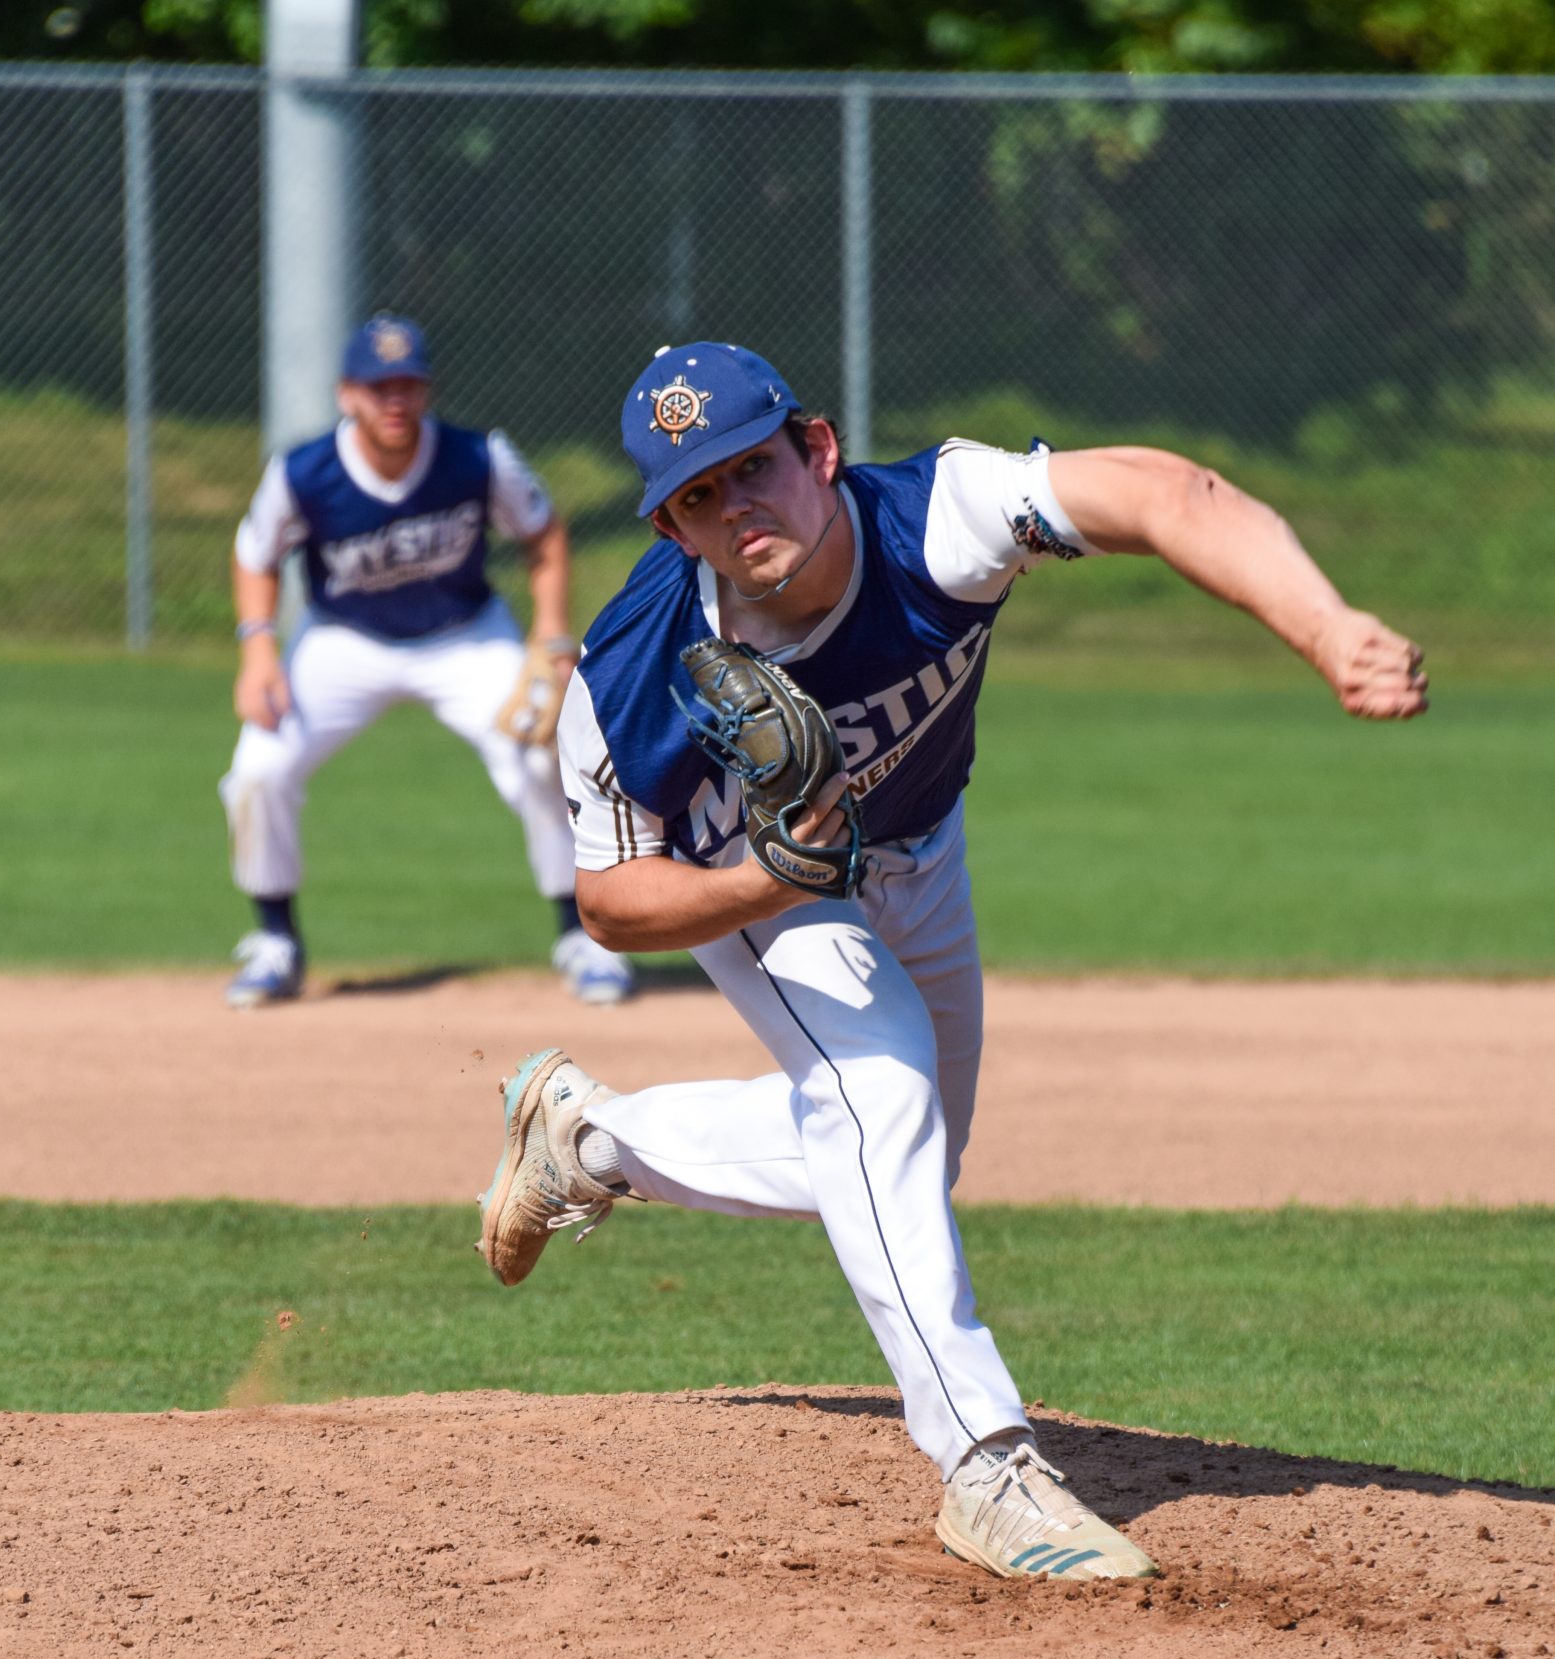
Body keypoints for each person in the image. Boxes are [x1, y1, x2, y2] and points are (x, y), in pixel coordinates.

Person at [476, 341, 1427, 1580]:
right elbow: (608, 901)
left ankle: (590, 1140)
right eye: (699, 495)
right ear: (670, 526)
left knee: (915, 1143)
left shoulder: (940, 519)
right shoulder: (630, 671)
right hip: (753, 879)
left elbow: (1166, 494)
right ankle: (986, 1466)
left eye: (753, 466)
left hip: (923, 847)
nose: (737, 506)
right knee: (881, 1095)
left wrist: (1326, 624)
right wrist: (767, 882)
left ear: (817, 449)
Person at [218, 311, 635, 1008]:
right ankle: (275, 940)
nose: (395, 400)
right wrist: (257, 649)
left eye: (408, 384)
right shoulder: (304, 471)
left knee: (542, 760)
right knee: (259, 769)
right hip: (342, 640)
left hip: (464, 636)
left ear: (427, 390)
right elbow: (254, 553)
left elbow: (543, 533)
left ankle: (581, 935)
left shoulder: (477, 458)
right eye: (378, 386)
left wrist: (551, 633)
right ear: (346, 394)